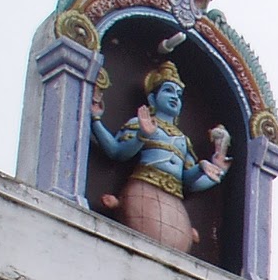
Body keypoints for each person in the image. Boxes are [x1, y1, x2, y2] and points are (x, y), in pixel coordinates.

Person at [90, 61, 228, 253]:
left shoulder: (182, 140)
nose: (175, 98)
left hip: (174, 201)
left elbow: (188, 182)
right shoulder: (141, 123)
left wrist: (210, 169)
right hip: (144, 189)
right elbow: (116, 151)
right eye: (168, 91)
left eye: (178, 95)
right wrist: (97, 120)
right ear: (153, 99)